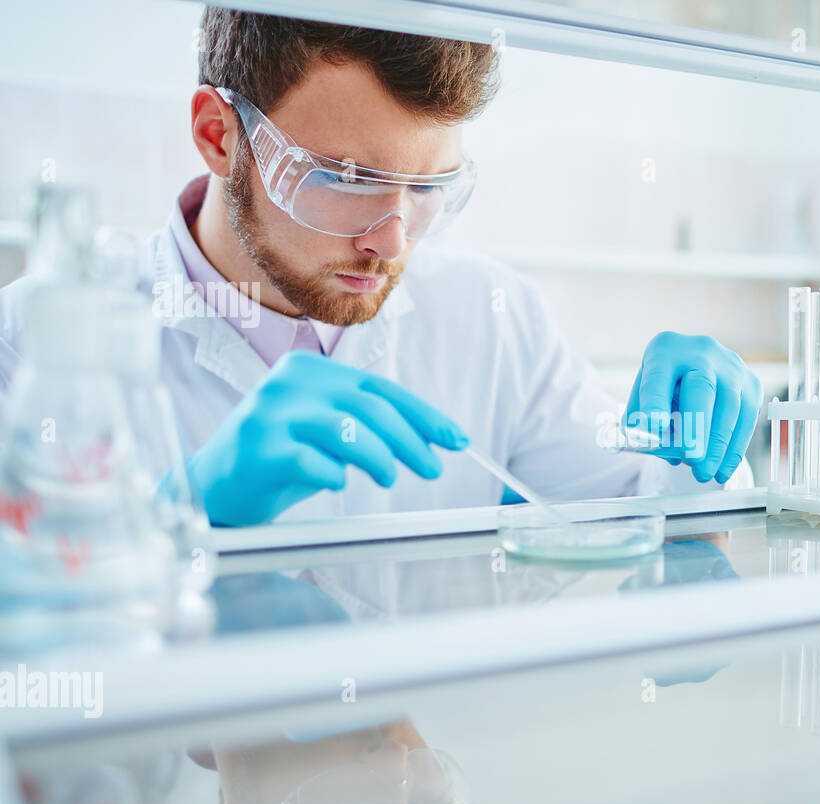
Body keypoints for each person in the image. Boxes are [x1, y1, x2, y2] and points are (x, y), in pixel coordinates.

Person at [0, 9, 761, 527]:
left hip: (421, 768)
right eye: (343, 179)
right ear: (218, 134)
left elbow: (655, 516)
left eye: (428, 189)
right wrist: (176, 508)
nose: (393, 243)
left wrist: (697, 446)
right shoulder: (32, 339)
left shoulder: (494, 319)